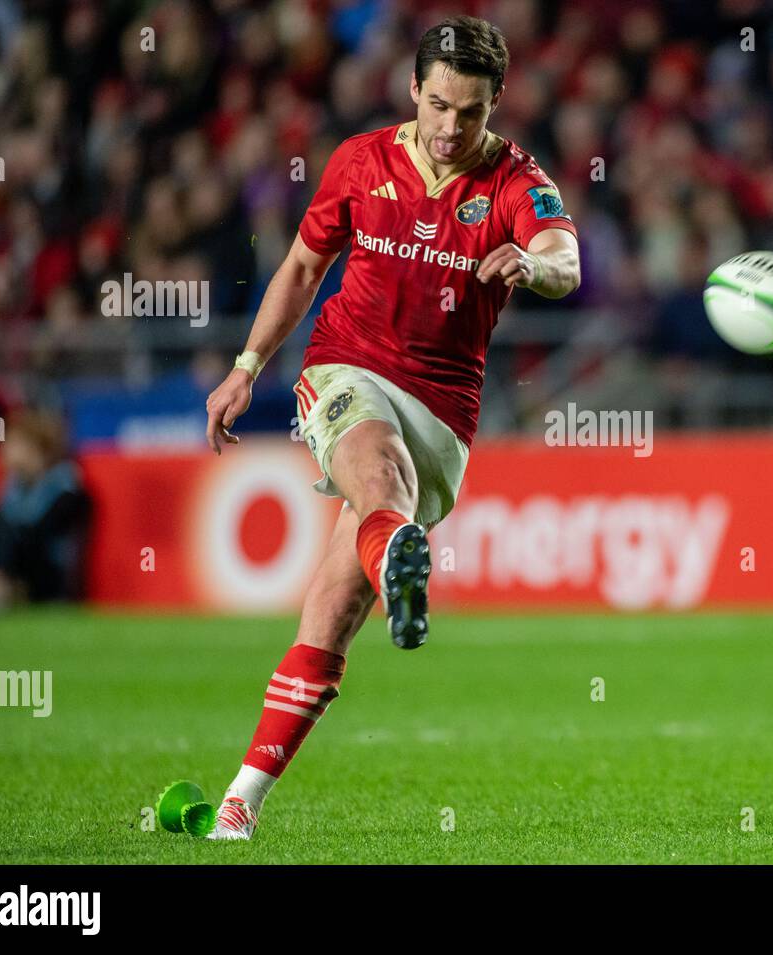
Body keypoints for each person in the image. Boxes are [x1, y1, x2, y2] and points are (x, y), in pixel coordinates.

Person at [201, 15, 581, 840]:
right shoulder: (358, 163)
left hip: (445, 406)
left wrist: (534, 264)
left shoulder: (517, 180)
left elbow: (565, 256)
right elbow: (303, 268)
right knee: (377, 470)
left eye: (471, 113)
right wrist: (247, 364)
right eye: (439, 105)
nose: (451, 128)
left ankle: (238, 803)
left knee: (331, 613)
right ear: (413, 90)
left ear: (496, 107)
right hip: (346, 366)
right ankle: (401, 552)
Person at [0, 411, 89, 611]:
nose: (6, 450)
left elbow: (41, 535)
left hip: (43, 577)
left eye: (16, 445)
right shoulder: (15, 485)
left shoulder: (66, 487)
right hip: (9, 564)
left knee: (1, 524)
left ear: (38, 450)